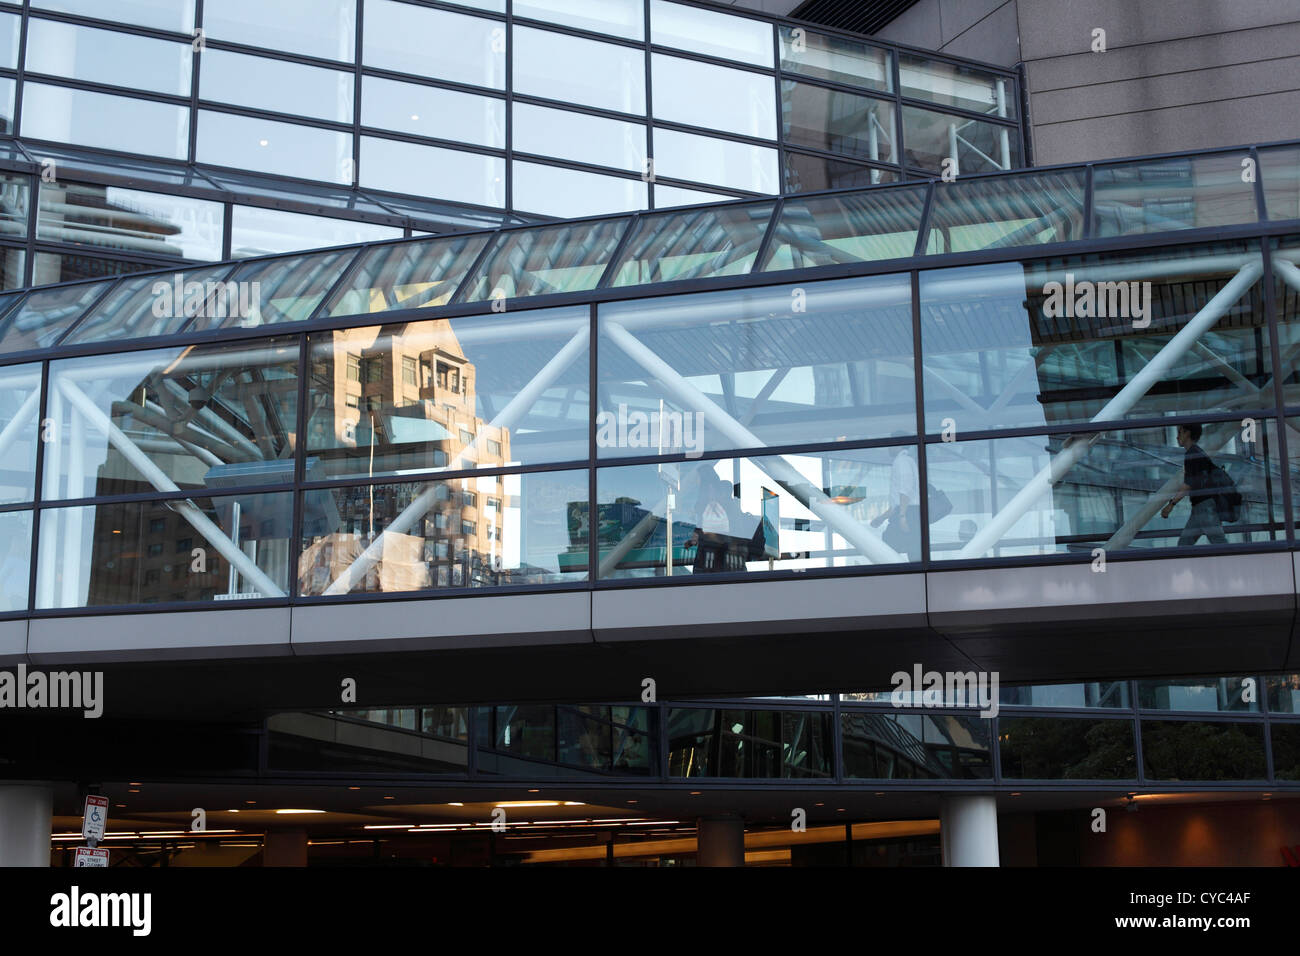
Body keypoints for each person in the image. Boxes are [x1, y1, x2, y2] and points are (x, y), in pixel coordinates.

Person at [1160, 423, 1227, 546]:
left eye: (1180, 432)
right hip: (1201, 508)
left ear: (1187, 433)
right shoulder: (1196, 453)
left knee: (1219, 544)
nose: (1177, 437)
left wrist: (1171, 505)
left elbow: (1188, 484)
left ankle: (1234, 564)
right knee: (1184, 545)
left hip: (1205, 508)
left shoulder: (1193, 454)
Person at [872, 441, 920, 559]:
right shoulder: (906, 461)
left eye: (891, 444)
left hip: (908, 513)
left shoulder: (902, 461)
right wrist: (882, 518)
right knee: (912, 551)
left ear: (899, 445)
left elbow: (905, 489)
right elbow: (897, 503)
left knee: (888, 546)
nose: (889, 447)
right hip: (907, 512)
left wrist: (902, 516)